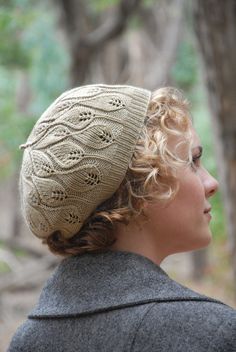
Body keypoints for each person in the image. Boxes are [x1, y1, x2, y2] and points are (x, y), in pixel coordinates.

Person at [8, 84, 236, 351]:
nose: (211, 183)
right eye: (193, 161)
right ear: (140, 185)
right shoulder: (212, 334)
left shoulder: (28, 341)